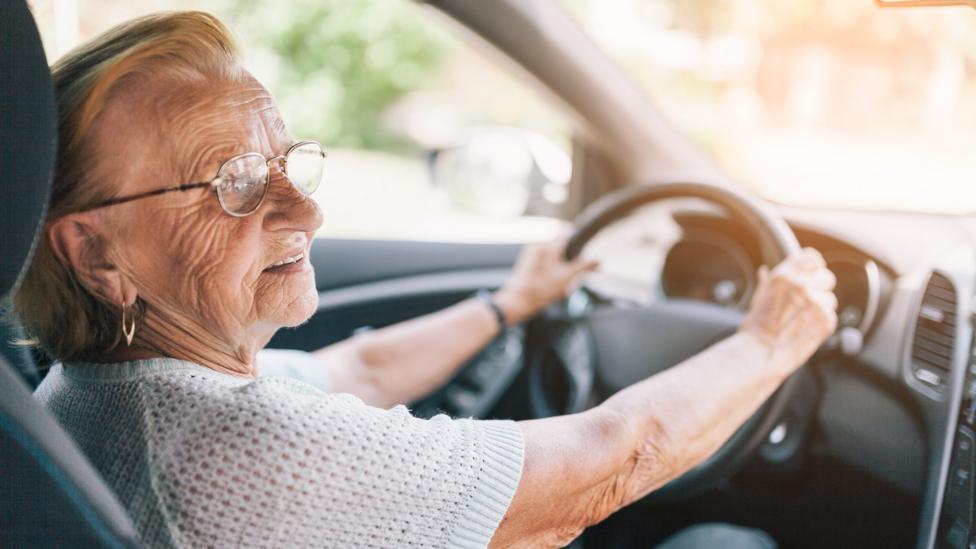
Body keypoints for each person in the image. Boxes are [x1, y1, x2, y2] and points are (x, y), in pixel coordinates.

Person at [14, 11, 837, 549]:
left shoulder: (87, 396)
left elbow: (359, 369)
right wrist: (771, 341)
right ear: (97, 256)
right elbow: (606, 460)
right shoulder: (231, 450)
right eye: (232, 180)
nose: (305, 209)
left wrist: (509, 303)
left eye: (287, 162)